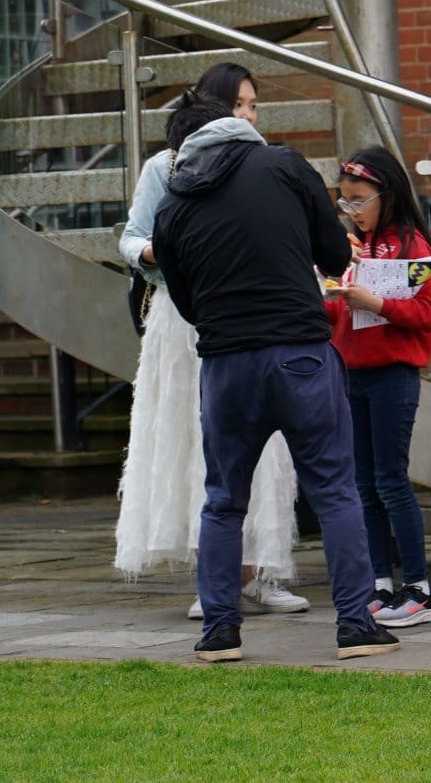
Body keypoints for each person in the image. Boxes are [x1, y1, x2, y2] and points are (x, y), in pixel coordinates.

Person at [153, 113, 397, 663]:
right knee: (335, 489)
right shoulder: (284, 165)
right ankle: (356, 627)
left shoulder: (173, 202)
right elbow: (335, 254)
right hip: (300, 355)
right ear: (247, 140)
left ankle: (219, 631)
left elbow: (186, 301)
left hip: (225, 367)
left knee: (222, 500)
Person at [113, 63, 307, 619]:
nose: (250, 115)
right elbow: (131, 238)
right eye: (241, 105)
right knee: (199, 444)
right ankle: (215, 578)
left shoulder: (263, 162)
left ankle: (260, 570)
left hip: (251, 312)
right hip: (185, 318)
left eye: (254, 105)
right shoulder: (166, 165)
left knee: (264, 446)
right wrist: (159, 254)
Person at [326, 147, 431, 628]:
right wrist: (332, 290)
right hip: (349, 374)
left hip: (393, 375)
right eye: (345, 202)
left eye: (359, 201)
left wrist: (374, 299)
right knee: (362, 484)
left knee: (392, 481)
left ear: (386, 195)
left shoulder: (410, 244)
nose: (351, 211)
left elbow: (428, 314)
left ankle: (420, 587)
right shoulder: (349, 247)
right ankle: (378, 581)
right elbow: (336, 315)